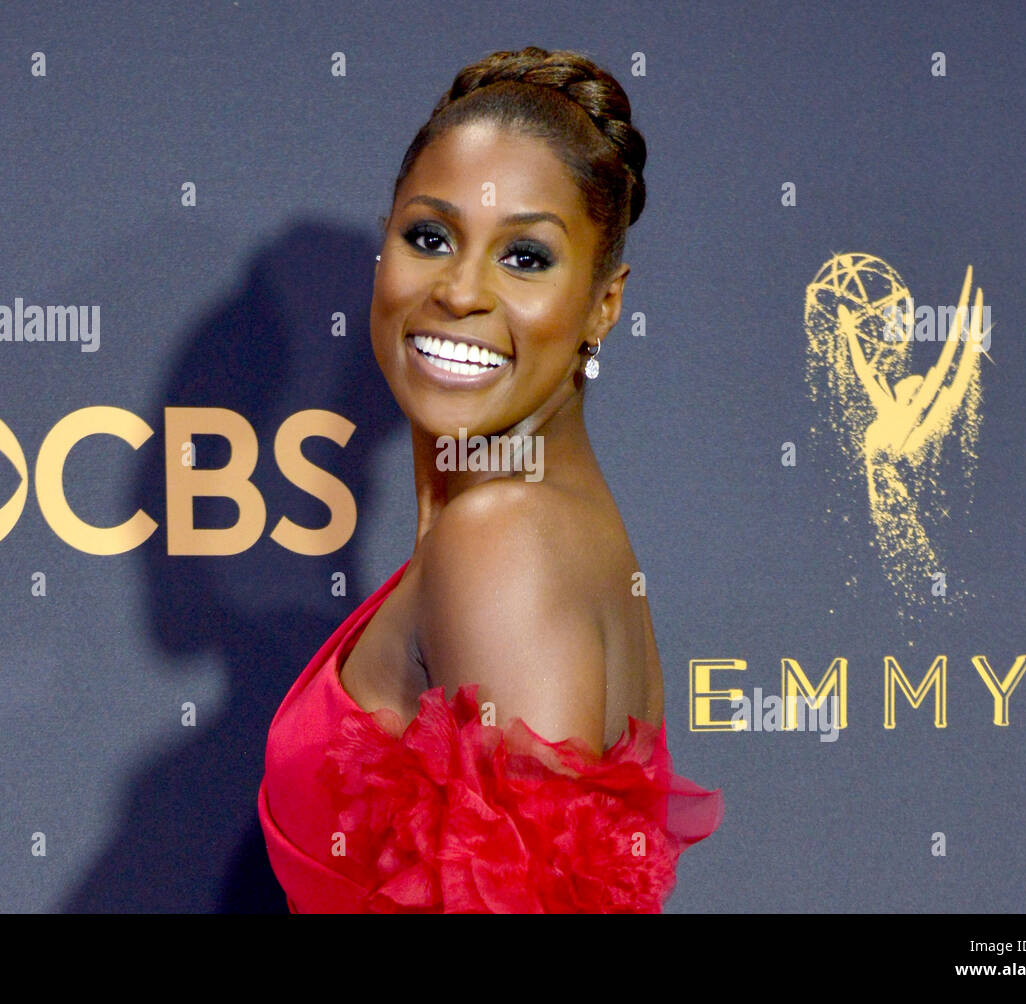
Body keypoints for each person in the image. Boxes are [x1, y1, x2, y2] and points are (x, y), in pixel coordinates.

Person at [258, 45, 722, 913]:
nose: (460, 290)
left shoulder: (500, 535)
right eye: (429, 237)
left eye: (526, 257)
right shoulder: (543, 524)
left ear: (604, 304)